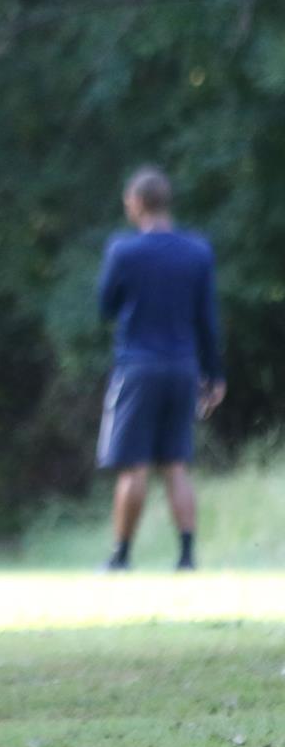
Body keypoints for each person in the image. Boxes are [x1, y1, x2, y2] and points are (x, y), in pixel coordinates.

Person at [96, 166, 224, 572]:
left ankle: (121, 556)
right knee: (175, 463)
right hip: (184, 368)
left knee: (133, 466)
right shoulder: (198, 251)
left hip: (137, 367)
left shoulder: (124, 251)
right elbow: (208, 318)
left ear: (136, 203)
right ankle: (186, 556)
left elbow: (105, 307)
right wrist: (215, 374)